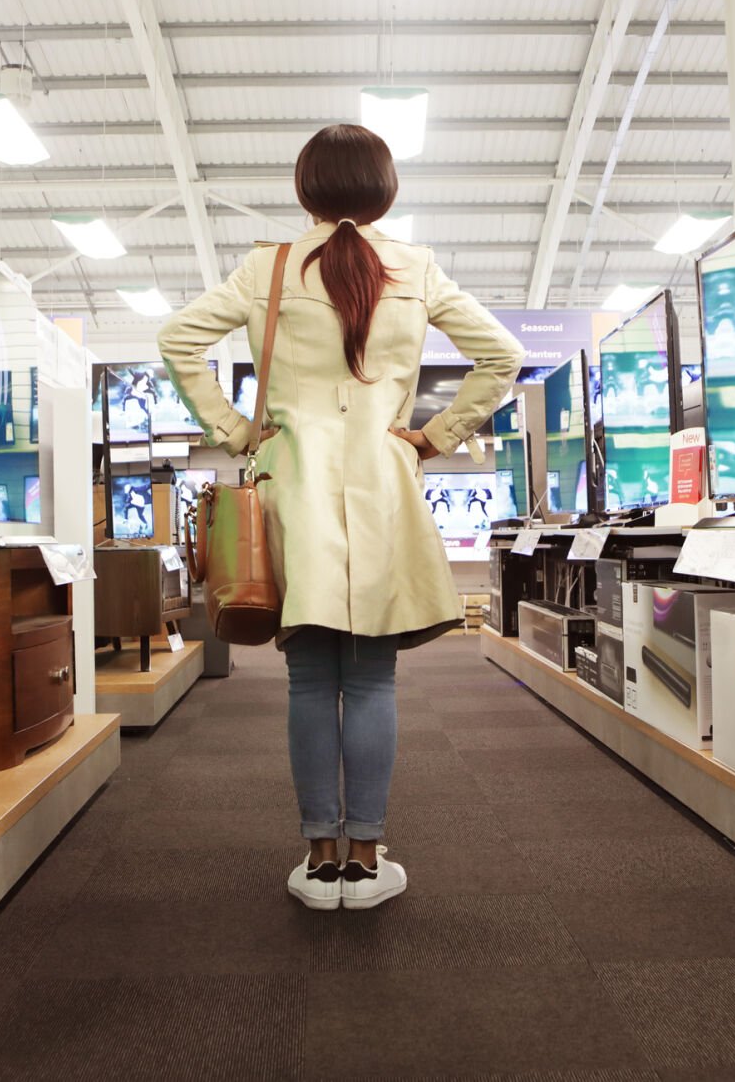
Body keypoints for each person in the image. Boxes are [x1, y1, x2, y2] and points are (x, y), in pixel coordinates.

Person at [159, 125, 523, 912]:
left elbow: (178, 337)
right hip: (383, 484)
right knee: (372, 679)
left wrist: (236, 429)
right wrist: (433, 435)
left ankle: (318, 857)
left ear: (306, 189)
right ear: (384, 189)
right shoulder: (415, 266)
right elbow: (502, 355)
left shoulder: (268, 267)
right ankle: (367, 856)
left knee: (306, 677)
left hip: (294, 484)